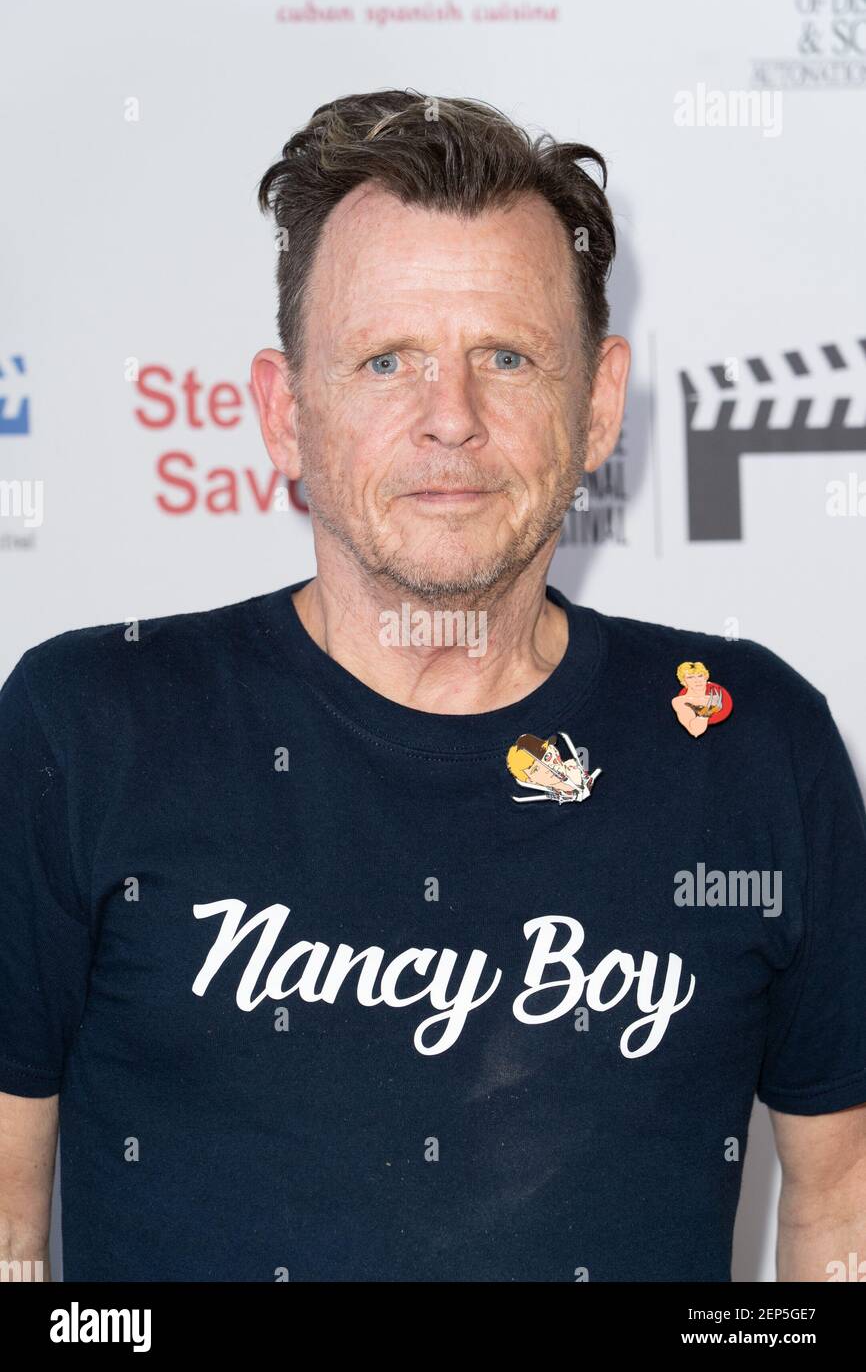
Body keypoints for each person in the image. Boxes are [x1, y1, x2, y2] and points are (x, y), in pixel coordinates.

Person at [1, 89, 864, 1284]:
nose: (448, 418)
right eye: (384, 360)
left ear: (596, 403)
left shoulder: (751, 741)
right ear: (284, 413)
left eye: (505, 357)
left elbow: (838, 1205)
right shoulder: (86, 725)